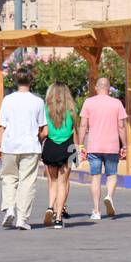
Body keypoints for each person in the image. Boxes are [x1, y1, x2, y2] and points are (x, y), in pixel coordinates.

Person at [0, 69, 46, 230]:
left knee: (9, 178)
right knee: (27, 182)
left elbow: (2, 126)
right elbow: (44, 129)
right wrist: (37, 140)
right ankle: (22, 218)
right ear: (31, 81)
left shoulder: (8, 100)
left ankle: (10, 207)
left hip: (10, 144)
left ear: (16, 81)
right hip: (30, 146)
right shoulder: (38, 101)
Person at [78, 76, 129, 221]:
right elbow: (121, 127)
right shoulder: (117, 103)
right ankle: (109, 196)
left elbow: (83, 125)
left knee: (95, 177)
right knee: (112, 175)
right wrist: (124, 145)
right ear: (109, 88)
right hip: (112, 146)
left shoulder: (88, 102)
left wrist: (81, 144)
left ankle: (96, 210)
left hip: (94, 146)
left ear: (96, 87)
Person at [41, 82, 79, 229]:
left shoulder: (46, 110)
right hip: (68, 147)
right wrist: (79, 148)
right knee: (63, 182)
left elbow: (44, 132)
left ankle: (50, 206)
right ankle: (58, 218)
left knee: (52, 182)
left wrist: (38, 141)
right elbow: (74, 131)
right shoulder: (71, 109)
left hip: (50, 146)